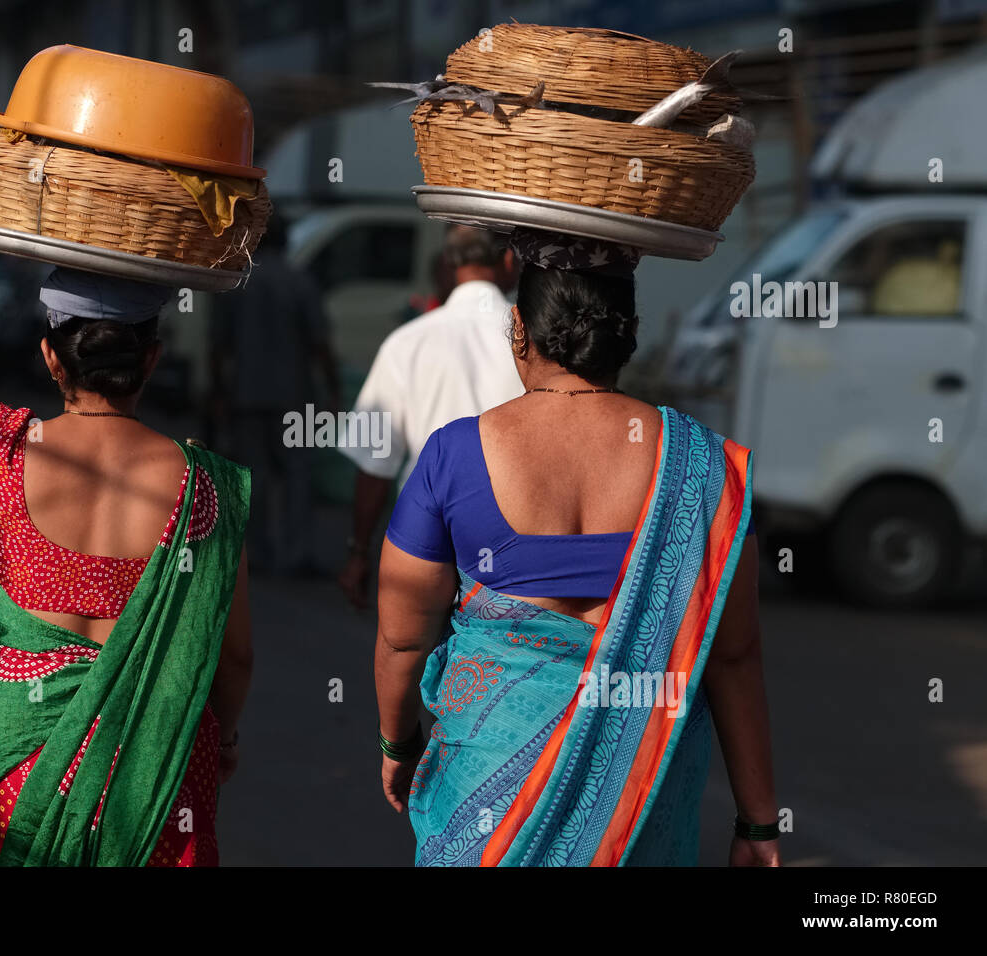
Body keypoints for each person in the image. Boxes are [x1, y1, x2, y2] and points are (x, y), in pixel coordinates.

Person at [0, 106, 252, 867]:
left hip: (15, 769)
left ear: (49, 357)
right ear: (152, 361)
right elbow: (232, 658)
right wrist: (220, 737)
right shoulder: (209, 490)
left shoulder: (0, 450)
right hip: (158, 774)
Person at [372, 229, 777, 867]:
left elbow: (403, 638)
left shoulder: (454, 454)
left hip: (486, 819)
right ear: (630, 331)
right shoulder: (707, 470)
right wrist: (758, 824)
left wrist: (398, 746)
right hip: (641, 812)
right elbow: (734, 657)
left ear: (519, 330)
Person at [338, 226, 522, 608]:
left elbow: (375, 465)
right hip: (512, 539)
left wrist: (359, 550)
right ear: (508, 260)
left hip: (424, 537)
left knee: (410, 656)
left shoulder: (407, 341)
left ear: (448, 264)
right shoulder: (532, 342)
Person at [210, 216, 338, 574]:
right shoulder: (300, 282)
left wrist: (218, 392)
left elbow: (219, 347)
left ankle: (258, 555)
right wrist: (334, 389)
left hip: (246, 394)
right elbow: (320, 344)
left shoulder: (236, 282)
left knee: (256, 475)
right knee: (298, 474)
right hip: (294, 397)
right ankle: (297, 554)